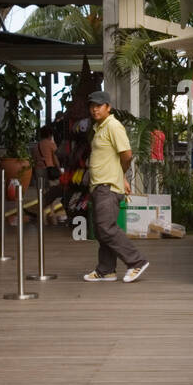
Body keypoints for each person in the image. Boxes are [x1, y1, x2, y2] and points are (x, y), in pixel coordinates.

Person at [82, 90, 149, 283]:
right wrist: (123, 178)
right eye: (92, 106)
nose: (94, 109)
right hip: (99, 186)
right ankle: (106, 270)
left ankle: (136, 261)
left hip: (107, 186)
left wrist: (121, 176)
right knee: (102, 231)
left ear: (108, 107)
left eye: (99, 105)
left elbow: (126, 155)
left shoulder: (113, 126)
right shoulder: (98, 128)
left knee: (106, 228)